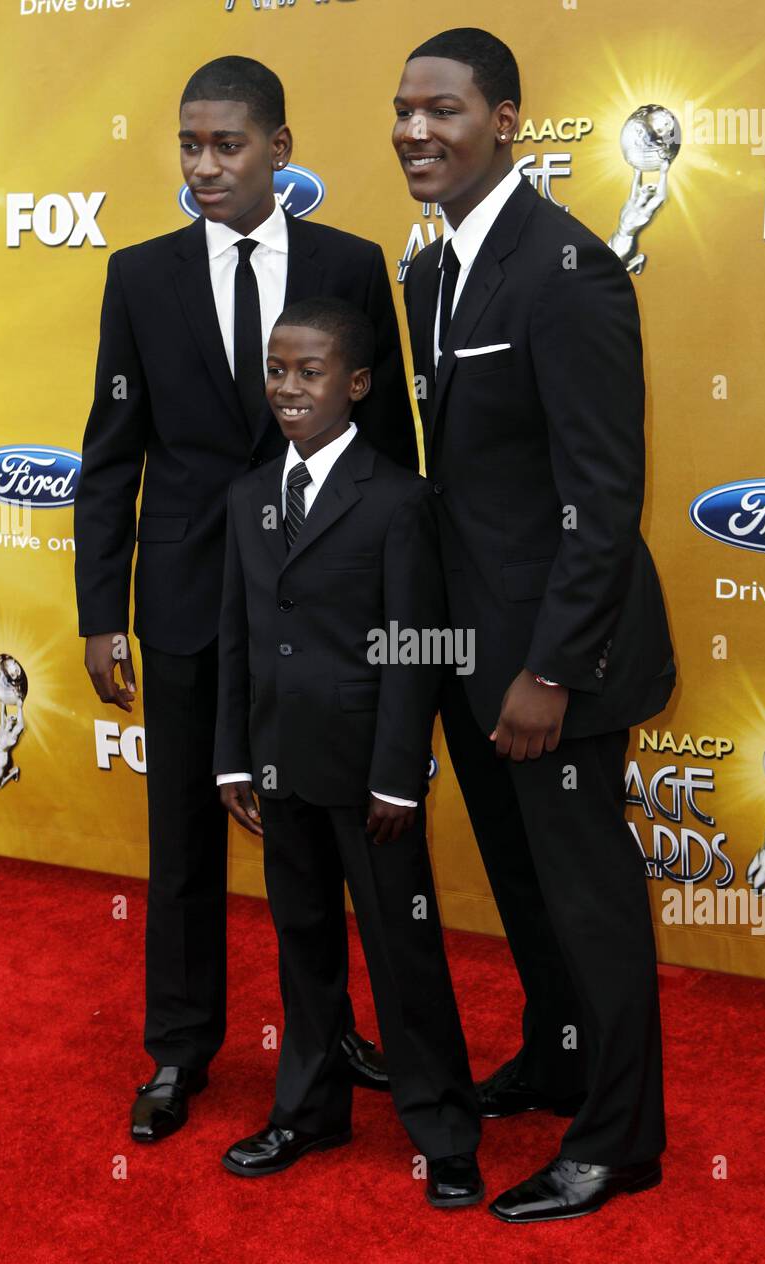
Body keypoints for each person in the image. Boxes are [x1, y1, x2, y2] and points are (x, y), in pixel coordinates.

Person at [75, 55, 418, 1143]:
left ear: (279, 146)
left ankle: (331, 1037)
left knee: (323, 836)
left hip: (322, 612)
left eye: (226, 144)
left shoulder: (352, 264)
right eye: (189, 145)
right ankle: (178, 1051)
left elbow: (393, 460)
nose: (204, 164)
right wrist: (99, 610)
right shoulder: (137, 274)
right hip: (182, 599)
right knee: (182, 839)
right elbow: (110, 453)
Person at [394, 28, 677, 1221]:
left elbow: (602, 490)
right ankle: (559, 1059)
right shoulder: (427, 269)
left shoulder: (565, 268)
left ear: (505, 120)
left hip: (559, 657)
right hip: (465, 646)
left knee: (587, 893)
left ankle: (619, 1137)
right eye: (403, 110)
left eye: (444, 110)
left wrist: (548, 669)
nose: (416, 131)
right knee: (520, 881)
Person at [213, 297, 483, 1208]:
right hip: (278, 765)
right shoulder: (249, 496)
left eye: (310, 372)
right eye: (277, 370)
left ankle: (444, 1127)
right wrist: (232, 760)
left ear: (358, 385)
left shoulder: (399, 500)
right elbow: (239, 637)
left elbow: (420, 648)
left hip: (372, 780)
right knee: (303, 949)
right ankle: (310, 1109)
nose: (288, 387)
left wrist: (399, 777)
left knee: (404, 952)